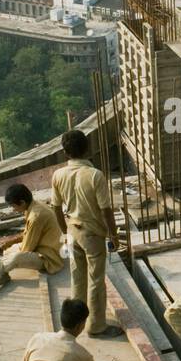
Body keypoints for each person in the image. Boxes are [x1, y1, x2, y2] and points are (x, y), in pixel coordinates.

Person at [51, 129, 122, 339]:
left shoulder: (58, 175)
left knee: (77, 279)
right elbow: (105, 210)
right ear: (87, 149)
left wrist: (65, 231)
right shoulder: (94, 175)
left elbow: (55, 207)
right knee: (96, 281)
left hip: (72, 231)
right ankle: (96, 326)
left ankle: (75, 323)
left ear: (65, 152)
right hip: (91, 234)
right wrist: (114, 235)